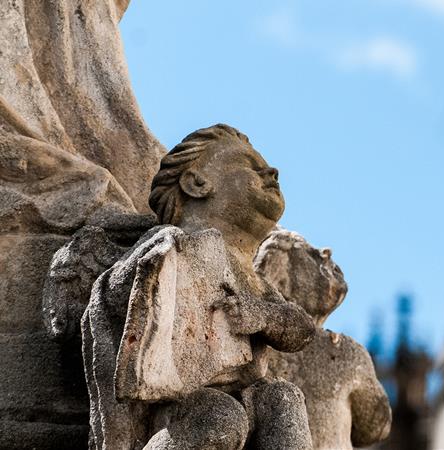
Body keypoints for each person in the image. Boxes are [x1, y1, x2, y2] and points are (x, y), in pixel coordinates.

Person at [82, 124, 315, 449]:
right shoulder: (170, 247)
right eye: (249, 164)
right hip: (178, 408)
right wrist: (149, 277)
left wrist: (262, 316)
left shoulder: (252, 278)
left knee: (283, 398)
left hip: (245, 395)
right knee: (220, 416)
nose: (271, 171)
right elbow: (112, 299)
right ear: (196, 183)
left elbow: (303, 329)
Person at [254, 229, 392, 449]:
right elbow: (375, 426)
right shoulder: (343, 353)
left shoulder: (255, 347)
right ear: (281, 283)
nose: (325, 252)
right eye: (308, 254)